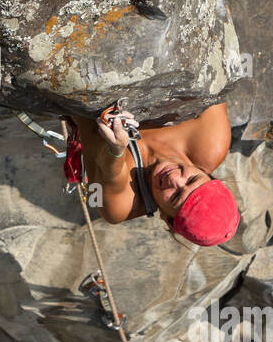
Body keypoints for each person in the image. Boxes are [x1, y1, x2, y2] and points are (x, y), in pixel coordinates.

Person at [67, 101, 240, 246]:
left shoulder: (121, 208)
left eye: (175, 196)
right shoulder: (212, 141)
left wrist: (116, 150)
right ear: (208, 175)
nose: (173, 178)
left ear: (166, 218)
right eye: (191, 179)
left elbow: (110, 173)